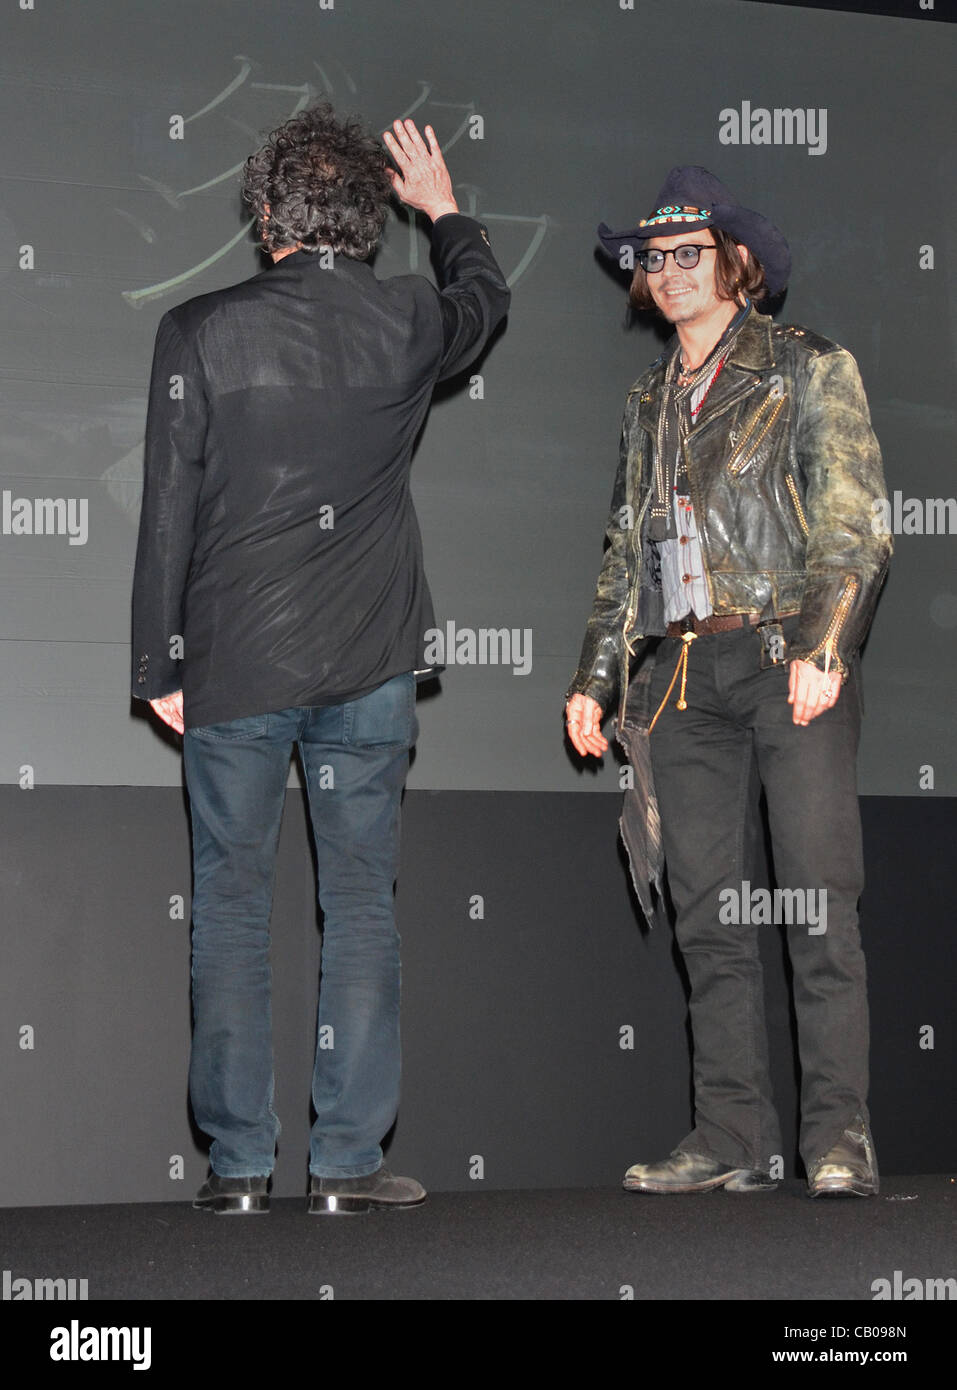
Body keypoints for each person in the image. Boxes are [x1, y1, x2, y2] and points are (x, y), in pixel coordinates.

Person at [131, 105, 510, 1215]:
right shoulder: (408, 318)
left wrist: (158, 662)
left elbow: (167, 507)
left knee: (230, 908)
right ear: (369, 217)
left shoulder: (199, 328)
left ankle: (238, 1169)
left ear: (265, 215)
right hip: (368, 664)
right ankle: (345, 1165)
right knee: (360, 906)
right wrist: (446, 211)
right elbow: (486, 300)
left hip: (234, 665)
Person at [564, 167, 890, 1198]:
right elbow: (626, 550)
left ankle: (838, 1138)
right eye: (651, 258)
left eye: (686, 253)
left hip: (787, 652)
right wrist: (596, 679)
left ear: (735, 262)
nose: (665, 271)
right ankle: (731, 1136)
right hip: (681, 672)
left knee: (818, 905)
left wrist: (825, 647)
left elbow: (855, 522)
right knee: (707, 916)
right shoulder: (647, 398)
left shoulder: (806, 366)